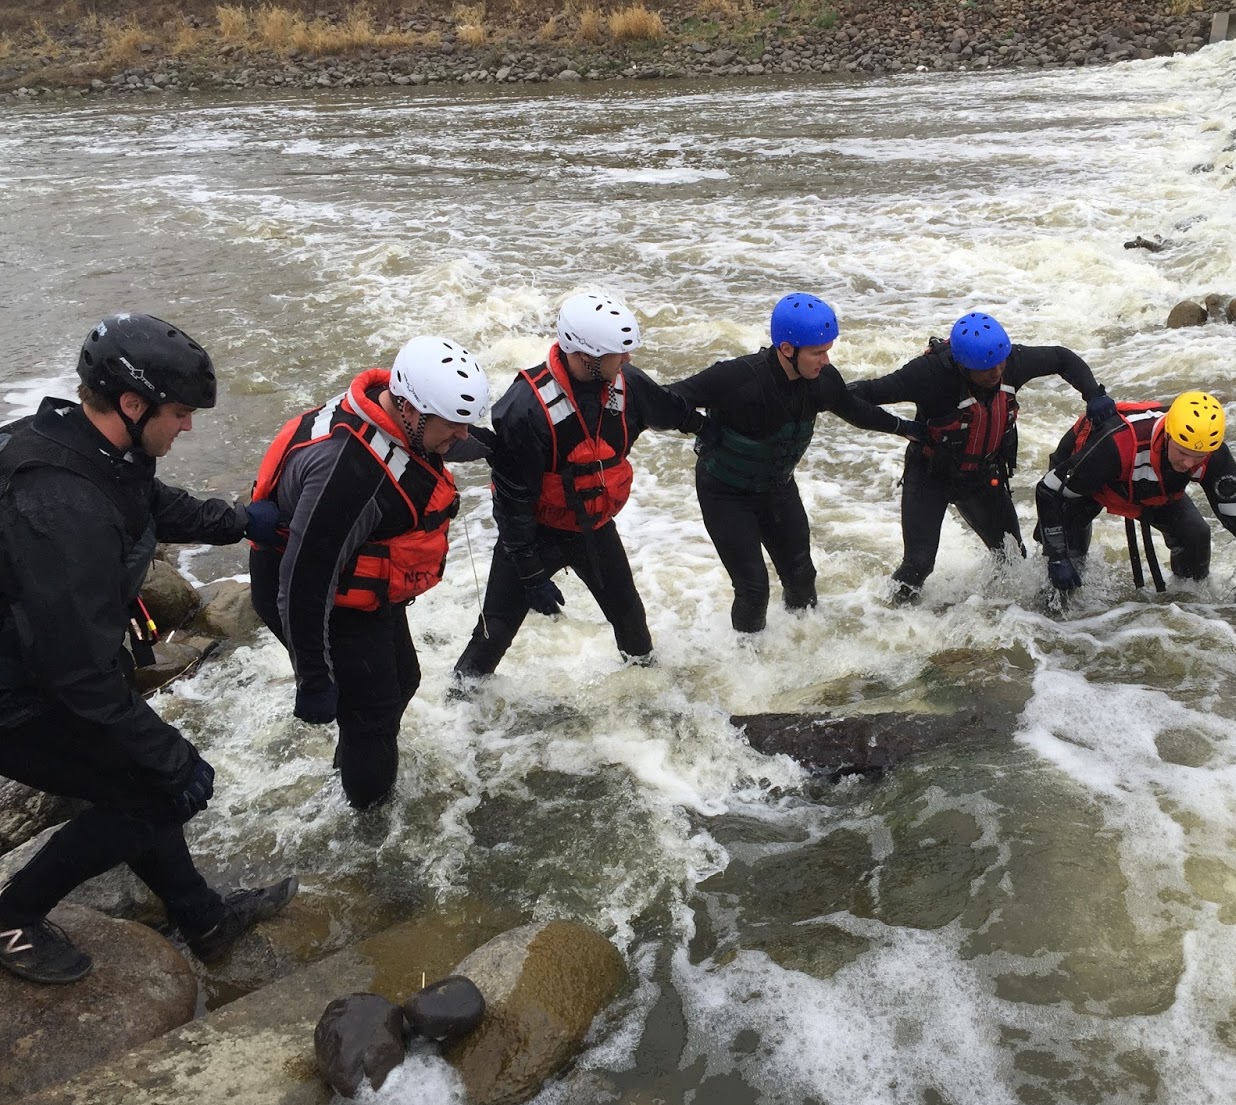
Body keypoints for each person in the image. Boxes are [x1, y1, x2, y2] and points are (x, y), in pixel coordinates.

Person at [0, 314, 297, 984]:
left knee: (144, 782)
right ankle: (13, 915)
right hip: (19, 694)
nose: (187, 426)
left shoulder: (89, 447)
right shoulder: (59, 509)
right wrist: (170, 754)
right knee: (157, 790)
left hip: (47, 665)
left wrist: (242, 520)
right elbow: (74, 675)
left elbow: (150, 504)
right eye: (181, 412)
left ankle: (204, 918)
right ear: (132, 405)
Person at [250, 335, 493, 810]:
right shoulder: (349, 474)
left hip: (357, 588)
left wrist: (498, 448)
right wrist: (314, 678)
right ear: (407, 407)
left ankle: (353, 757)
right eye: (454, 424)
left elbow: (433, 448)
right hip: (315, 597)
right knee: (374, 712)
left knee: (402, 681)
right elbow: (303, 584)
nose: (462, 435)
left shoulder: (398, 418)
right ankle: (368, 820)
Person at [452, 293, 702, 679]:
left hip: (594, 530)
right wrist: (533, 577)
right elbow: (512, 504)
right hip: (533, 534)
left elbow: (672, 409)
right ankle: (460, 703)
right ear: (586, 355)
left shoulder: (626, 383)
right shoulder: (524, 409)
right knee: (495, 631)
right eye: (619, 353)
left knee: (631, 621)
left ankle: (647, 693)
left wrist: (707, 429)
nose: (628, 360)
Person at [669, 293, 925, 633]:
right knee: (754, 589)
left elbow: (854, 410)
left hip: (777, 488)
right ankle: (750, 663)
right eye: (817, 352)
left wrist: (905, 428)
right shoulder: (737, 378)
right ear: (787, 349)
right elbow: (665, 400)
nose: (825, 360)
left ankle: (800, 645)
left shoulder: (823, 381)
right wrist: (700, 426)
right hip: (725, 494)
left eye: (828, 350)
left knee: (802, 576)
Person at [848, 312, 1114, 601]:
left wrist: (1093, 394)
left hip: (982, 478)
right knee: (918, 566)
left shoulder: (1010, 362)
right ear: (962, 365)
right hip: (930, 477)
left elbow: (1062, 358)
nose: (997, 372)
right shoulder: (927, 375)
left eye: (1000, 363)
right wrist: (900, 427)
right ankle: (890, 622)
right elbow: (857, 396)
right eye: (986, 369)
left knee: (1012, 556)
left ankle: (1001, 615)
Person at [1035, 391, 1236, 595]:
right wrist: (1057, 556)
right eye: (1182, 452)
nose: (1189, 463)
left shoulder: (1212, 452)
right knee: (1066, 566)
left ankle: (1186, 602)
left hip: (1152, 488)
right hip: (1093, 483)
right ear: (1168, 435)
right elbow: (1047, 491)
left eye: (1198, 456)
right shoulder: (1115, 446)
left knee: (1196, 535)